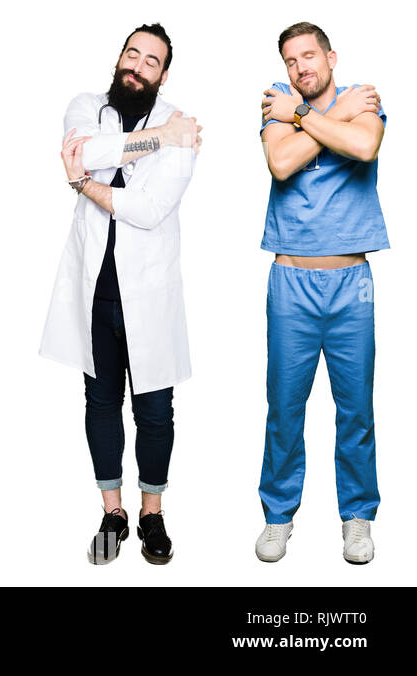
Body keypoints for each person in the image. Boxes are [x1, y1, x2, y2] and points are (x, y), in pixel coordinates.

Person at [41, 24, 200, 566]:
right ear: (119, 57)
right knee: (100, 405)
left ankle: (151, 513)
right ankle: (113, 512)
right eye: (132, 53)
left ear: (162, 74)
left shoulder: (181, 121)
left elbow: (152, 208)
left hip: (149, 296)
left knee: (155, 410)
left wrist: (84, 183)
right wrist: (152, 143)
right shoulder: (87, 106)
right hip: (93, 293)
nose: (137, 65)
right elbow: (84, 150)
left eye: (151, 60)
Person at [255, 22, 386, 565]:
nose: (299, 67)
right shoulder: (275, 104)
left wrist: (305, 119)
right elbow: (281, 162)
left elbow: (364, 145)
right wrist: (326, 118)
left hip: (350, 283)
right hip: (291, 283)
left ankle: (357, 517)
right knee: (285, 406)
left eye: (308, 56)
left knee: (355, 408)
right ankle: (278, 517)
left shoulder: (364, 102)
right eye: (290, 60)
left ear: (330, 57)